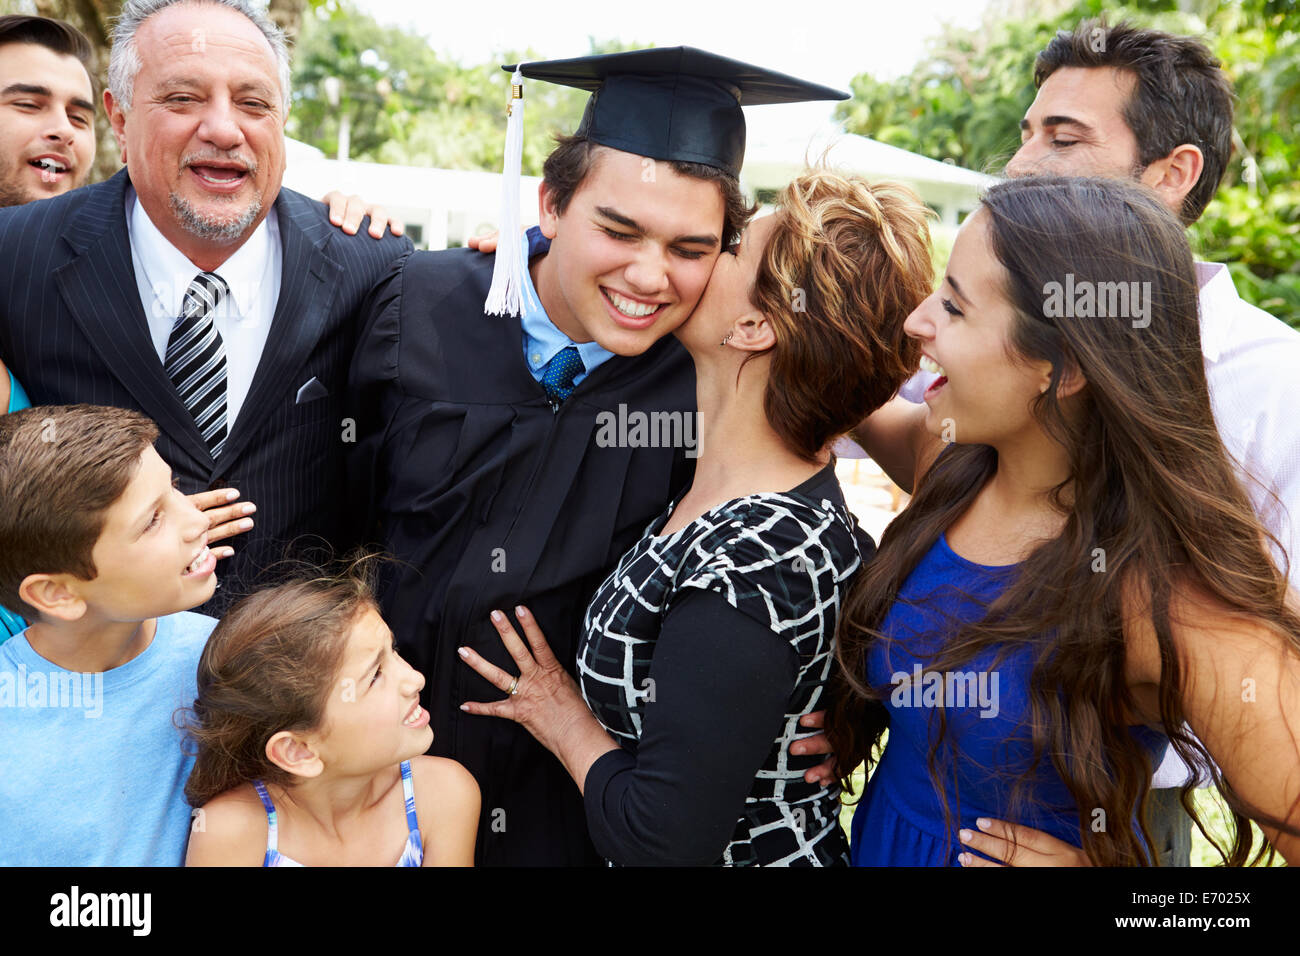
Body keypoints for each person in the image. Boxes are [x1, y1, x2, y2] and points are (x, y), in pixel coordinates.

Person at [350, 47, 847, 865]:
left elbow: (811, 528)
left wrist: (842, 699)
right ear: (548, 205)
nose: (648, 276)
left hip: (570, 806)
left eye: (691, 248)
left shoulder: (706, 379)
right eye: (617, 230)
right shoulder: (418, 304)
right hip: (381, 770)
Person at [457, 168, 933, 865]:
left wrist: (564, 719)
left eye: (732, 246)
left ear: (753, 326)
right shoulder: (737, 490)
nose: (702, 255)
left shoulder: (761, 558)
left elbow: (663, 841)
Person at [826, 175, 1300, 867]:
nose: (916, 321)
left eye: (955, 307)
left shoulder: (1170, 593)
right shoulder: (955, 463)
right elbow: (849, 404)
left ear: (1064, 366)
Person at [0, 0, 412, 614]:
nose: (224, 130)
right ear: (118, 116)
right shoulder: (16, 256)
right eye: (183, 99)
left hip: (293, 688)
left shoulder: (375, 267)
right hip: (93, 681)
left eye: (253, 103)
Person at [0, 404, 218, 865]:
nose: (198, 520)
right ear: (56, 592)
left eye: (174, 487)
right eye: (153, 520)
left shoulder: (226, 659)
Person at [183, 563, 479, 866]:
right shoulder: (231, 831)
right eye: (375, 675)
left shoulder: (443, 794)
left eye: (394, 650)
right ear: (297, 750)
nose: (415, 679)